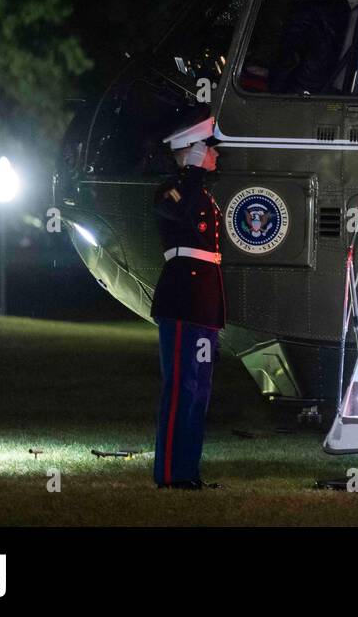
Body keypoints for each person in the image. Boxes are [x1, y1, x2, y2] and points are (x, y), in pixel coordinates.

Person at [151, 114, 226, 490]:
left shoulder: (203, 194)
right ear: (192, 152)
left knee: (199, 390)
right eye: (207, 149)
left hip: (203, 304)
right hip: (182, 300)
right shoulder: (171, 191)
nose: (215, 155)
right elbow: (178, 214)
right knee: (180, 387)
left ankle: (188, 471)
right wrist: (192, 174)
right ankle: (169, 473)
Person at [268, 0, 352, 94]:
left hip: (300, 90)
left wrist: (274, 91)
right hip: (324, 89)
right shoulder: (343, 10)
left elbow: (289, 59)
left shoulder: (304, 12)